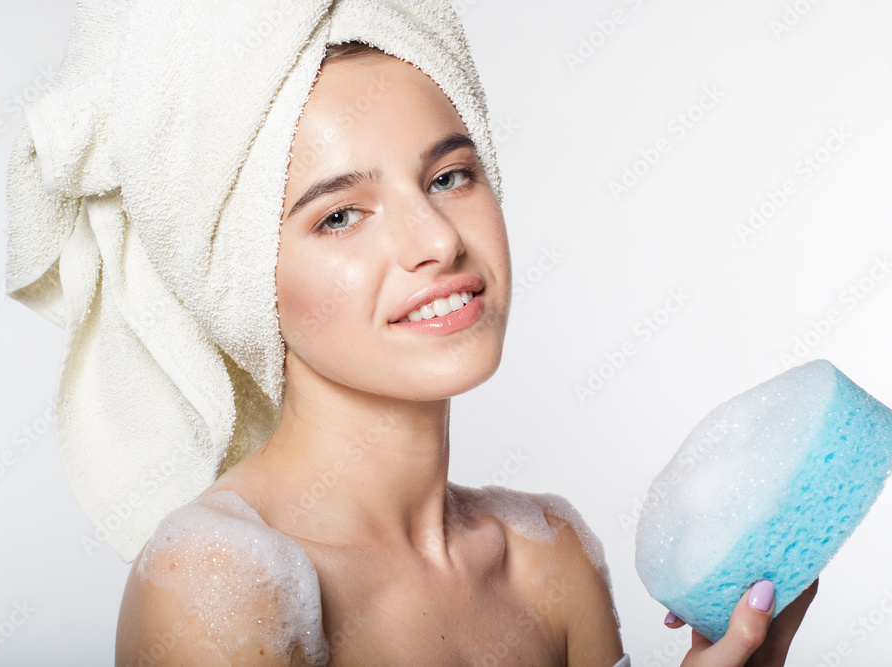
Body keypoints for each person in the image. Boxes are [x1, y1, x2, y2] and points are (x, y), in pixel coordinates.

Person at [112, 40, 816, 666]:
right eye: (340, 215)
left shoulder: (550, 557)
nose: (438, 241)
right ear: (244, 284)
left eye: (448, 176)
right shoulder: (219, 584)